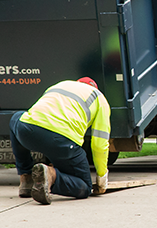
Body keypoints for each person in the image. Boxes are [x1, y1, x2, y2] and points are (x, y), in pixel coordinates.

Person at [11, 77, 111, 205]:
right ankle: (52, 175)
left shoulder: (60, 85)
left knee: (16, 118)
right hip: (62, 142)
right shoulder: (99, 98)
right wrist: (102, 178)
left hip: (29, 130)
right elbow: (99, 144)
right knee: (85, 186)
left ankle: (26, 177)